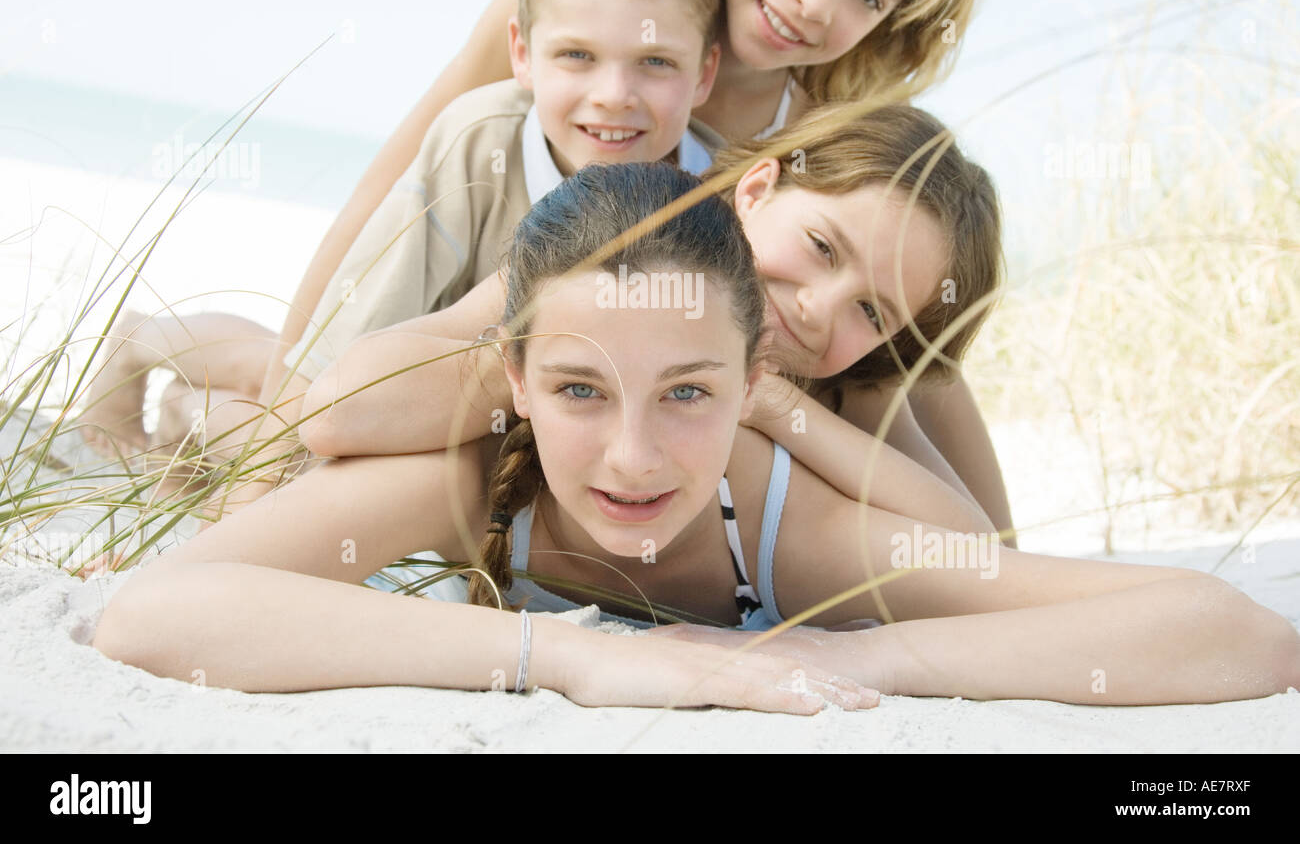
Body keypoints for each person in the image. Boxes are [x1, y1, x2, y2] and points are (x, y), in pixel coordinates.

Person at [90, 163, 1300, 711]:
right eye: (577, 390)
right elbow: (149, 613)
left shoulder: (779, 518)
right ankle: (180, 378)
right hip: (357, 424)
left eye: (685, 395)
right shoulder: (473, 472)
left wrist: (860, 661)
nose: (630, 459)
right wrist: (559, 656)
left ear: (752, 382)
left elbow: (1230, 627)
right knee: (269, 433)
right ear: (511, 377)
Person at [75, 0, 724, 471]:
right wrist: (232, 511)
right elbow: (330, 364)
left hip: (493, 402)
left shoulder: (721, 192)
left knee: (263, 374)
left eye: (655, 62)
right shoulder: (479, 143)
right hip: (401, 361)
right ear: (522, 54)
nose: (614, 94)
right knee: (282, 420)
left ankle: (173, 377)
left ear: (705, 73)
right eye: (577, 55)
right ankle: (165, 374)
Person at [300, 101, 1007, 546]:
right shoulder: (623, 244)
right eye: (823, 247)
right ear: (758, 190)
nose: (819, 308)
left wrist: (771, 402)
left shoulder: (847, 382)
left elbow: (977, 547)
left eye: (871, 309)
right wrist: (568, 365)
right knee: (246, 380)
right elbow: (334, 410)